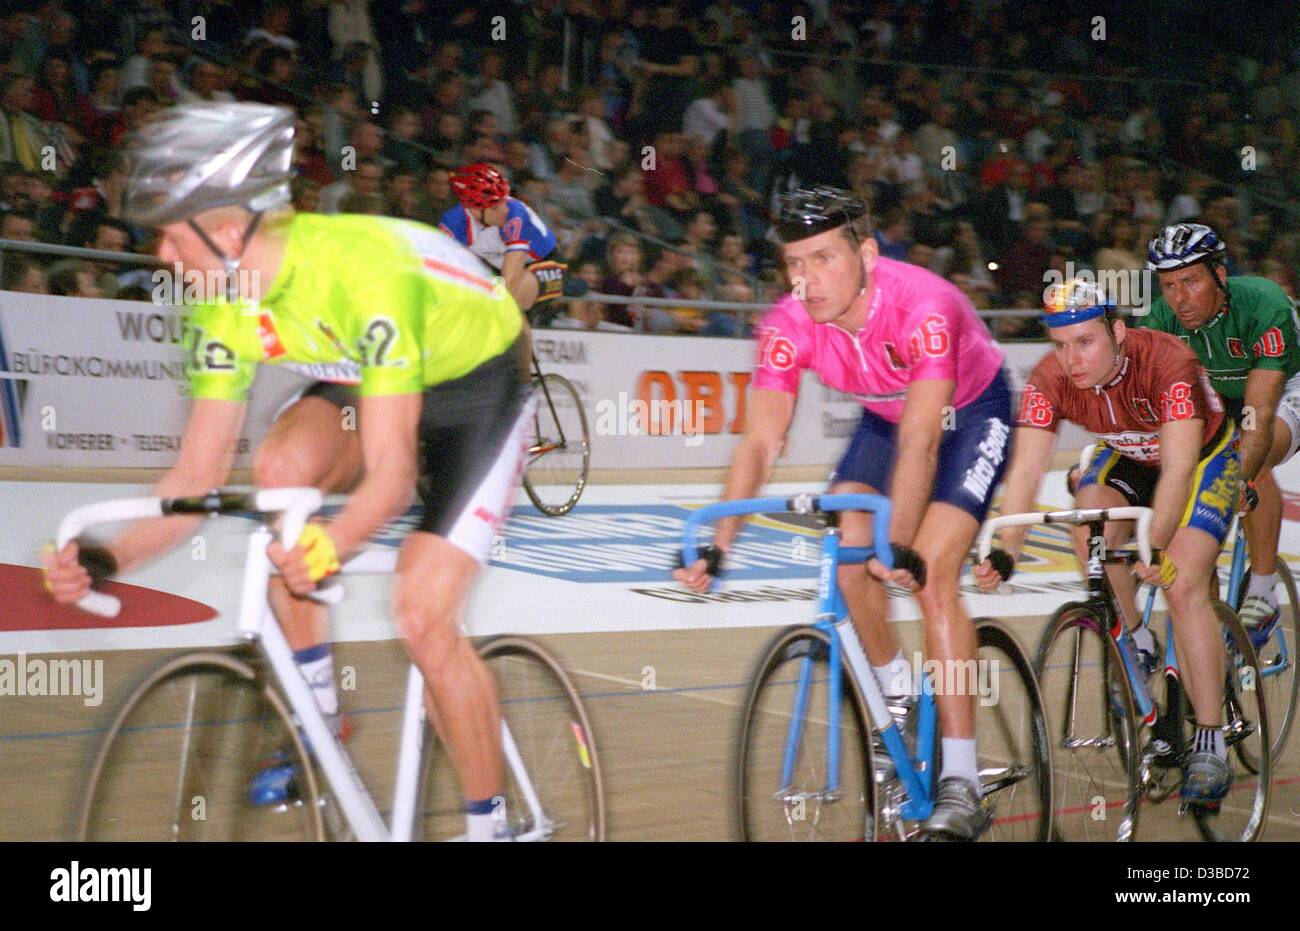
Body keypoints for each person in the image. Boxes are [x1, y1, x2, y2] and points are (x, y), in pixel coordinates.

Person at [41, 103, 534, 841]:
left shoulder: (360, 268)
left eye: (172, 236)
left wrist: (335, 546)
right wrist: (105, 557)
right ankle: (316, 713)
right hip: (373, 382)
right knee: (279, 470)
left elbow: (393, 478)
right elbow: (194, 480)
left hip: (476, 386)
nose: (165, 260)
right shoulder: (216, 304)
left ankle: (493, 826)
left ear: (229, 230)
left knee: (423, 613)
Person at [674, 187, 1014, 840]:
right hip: (887, 419)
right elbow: (761, 440)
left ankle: (963, 778)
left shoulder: (924, 306)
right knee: (850, 545)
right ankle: (897, 698)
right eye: (794, 264)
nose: (807, 280)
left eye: (823, 259)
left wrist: (906, 545)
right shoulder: (787, 321)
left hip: (970, 413)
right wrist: (720, 543)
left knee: (931, 571)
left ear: (866, 253)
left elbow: (922, 440)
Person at [974, 279, 1240, 805]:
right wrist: (1007, 549)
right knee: (1086, 520)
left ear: (1118, 332)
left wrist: (1156, 544)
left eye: (1086, 342)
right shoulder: (1050, 378)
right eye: (1060, 344)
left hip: (1203, 458)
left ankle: (1210, 740)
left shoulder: (1169, 361)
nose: (1071, 359)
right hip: (1132, 458)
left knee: (1182, 583)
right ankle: (1138, 642)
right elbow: (1025, 472)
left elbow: (1181, 467)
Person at [1139, 223, 1300, 645]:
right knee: (1187, 483)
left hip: (1281, 390)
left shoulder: (1264, 304)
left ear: (1220, 275)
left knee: (1250, 457)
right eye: (1168, 285)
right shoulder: (1159, 322)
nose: (1179, 298)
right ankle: (1206, 625)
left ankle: (1263, 592)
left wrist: (1238, 477)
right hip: (1220, 397)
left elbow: (1258, 415)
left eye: (1191, 281)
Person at [439, 162, 572, 315]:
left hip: (545, 263)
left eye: (504, 199)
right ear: (474, 211)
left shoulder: (516, 213)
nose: (505, 209)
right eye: (495, 207)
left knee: (508, 301)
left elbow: (509, 280)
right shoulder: (452, 223)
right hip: (498, 267)